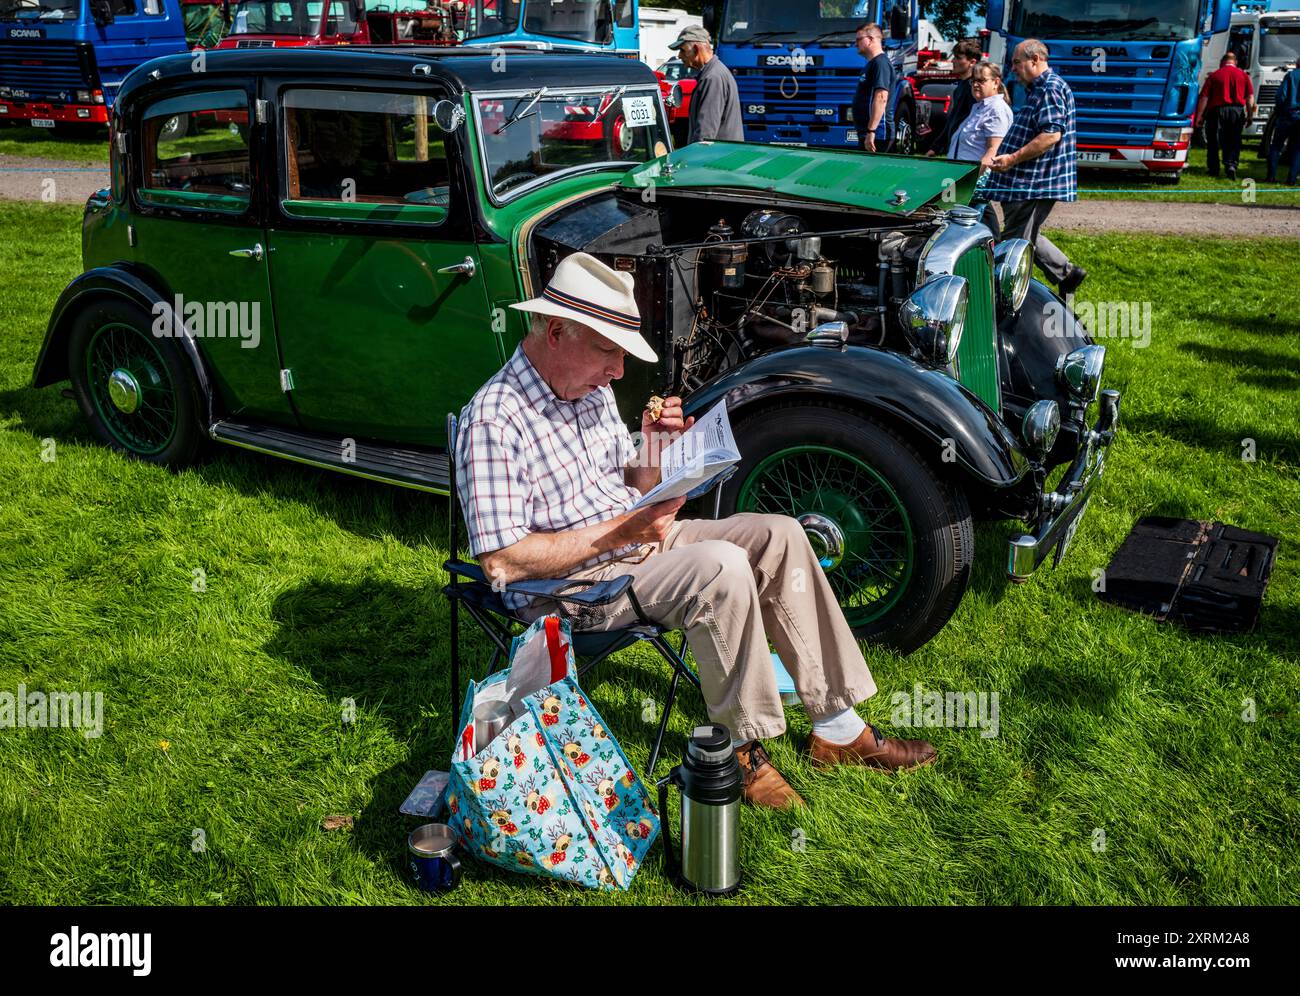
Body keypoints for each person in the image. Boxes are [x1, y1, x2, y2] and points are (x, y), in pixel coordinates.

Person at [456, 253, 937, 810]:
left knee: (780, 535)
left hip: (632, 545)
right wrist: (622, 532)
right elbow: (502, 562)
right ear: (557, 332)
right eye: (608, 350)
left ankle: (838, 727)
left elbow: (631, 484)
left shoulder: (587, 390)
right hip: (570, 588)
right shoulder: (495, 418)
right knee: (722, 570)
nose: (617, 371)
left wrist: (657, 452)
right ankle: (738, 749)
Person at [987, 39, 1087, 296]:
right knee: (1026, 234)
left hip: (1034, 181)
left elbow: (1050, 135)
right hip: (1027, 180)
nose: (1013, 69)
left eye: (1017, 63)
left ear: (1036, 60)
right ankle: (1066, 273)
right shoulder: (1039, 89)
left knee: (1013, 243)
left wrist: (1011, 159)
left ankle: (1010, 295)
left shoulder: (1050, 89)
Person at [668, 24, 744, 144]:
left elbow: (705, 133)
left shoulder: (712, 78)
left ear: (696, 50)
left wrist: (695, 158)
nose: (679, 56)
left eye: (683, 50)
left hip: (717, 158)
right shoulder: (714, 73)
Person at [1196, 52, 1255, 180]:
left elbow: (1204, 98)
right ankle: (1231, 165)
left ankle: (1214, 168)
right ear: (1236, 62)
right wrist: (1250, 115)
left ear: (1222, 62)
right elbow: (1250, 97)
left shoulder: (1214, 76)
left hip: (1216, 111)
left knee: (1213, 140)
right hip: (1237, 111)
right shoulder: (1244, 76)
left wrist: (1199, 116)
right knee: (1234, 140)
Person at [926, 38, 984, 158]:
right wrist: (936, 147)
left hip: (968, 153)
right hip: (955, 151)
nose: (953, 61)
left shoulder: (975, 90)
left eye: (958, 58)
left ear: (972, 62)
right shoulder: (960, 87)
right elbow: (954, 119)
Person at [853, 22, 895, 152]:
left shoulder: (880, 63)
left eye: (859, 39)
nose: (855, 44)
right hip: (868, 132)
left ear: (870, 40)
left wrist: (871, 131)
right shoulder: (871, 64)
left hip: (878, 134)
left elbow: (881, 97)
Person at [1266, 61, 1300, 185]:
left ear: (1297, 65)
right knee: (1298, 149)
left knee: (1276, 145)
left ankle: (1271, 175)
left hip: (1287, 115)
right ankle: (1292, 179)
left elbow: (1281, 95)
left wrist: (1279, 110)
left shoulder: (1291, 76)